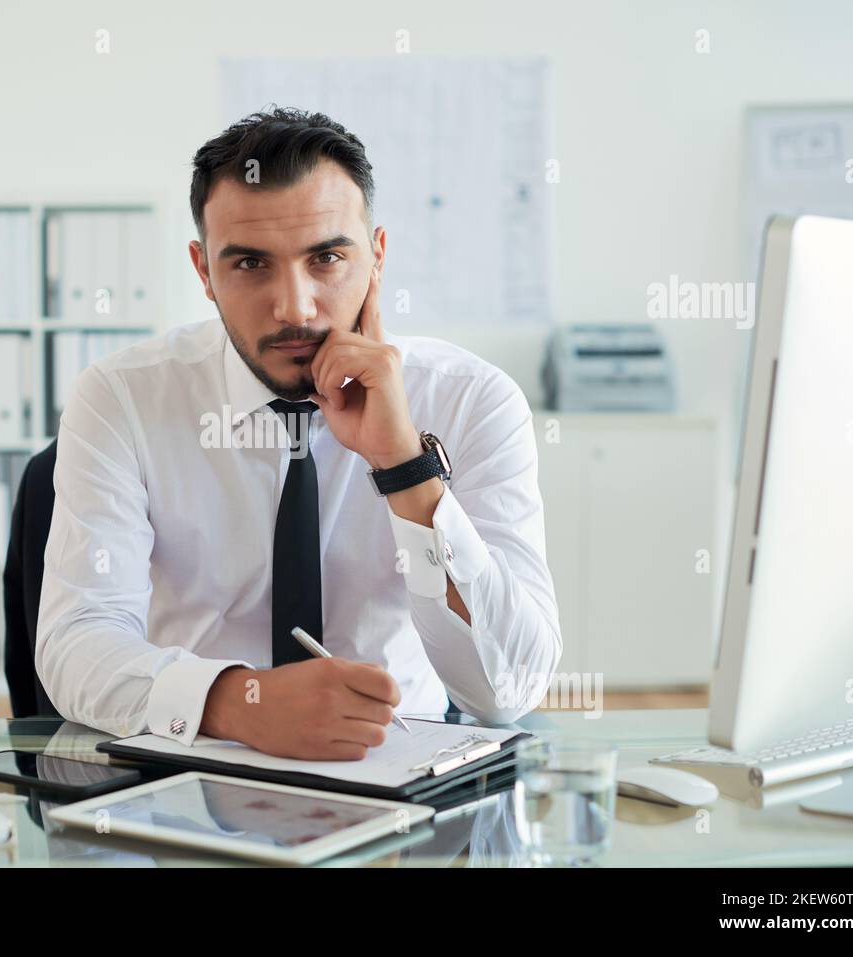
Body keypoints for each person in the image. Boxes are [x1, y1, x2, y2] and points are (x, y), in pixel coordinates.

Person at [35, 107, 560, 760]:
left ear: (377, 258)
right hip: (196, 761)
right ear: (203, 271)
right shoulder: (124, 398)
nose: (295, 306)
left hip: (403, 768)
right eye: (251, 264)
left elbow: (509, 687)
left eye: (328, 258)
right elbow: (75, 641)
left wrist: (404, 467)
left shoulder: (473, 400)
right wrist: (238, 702)